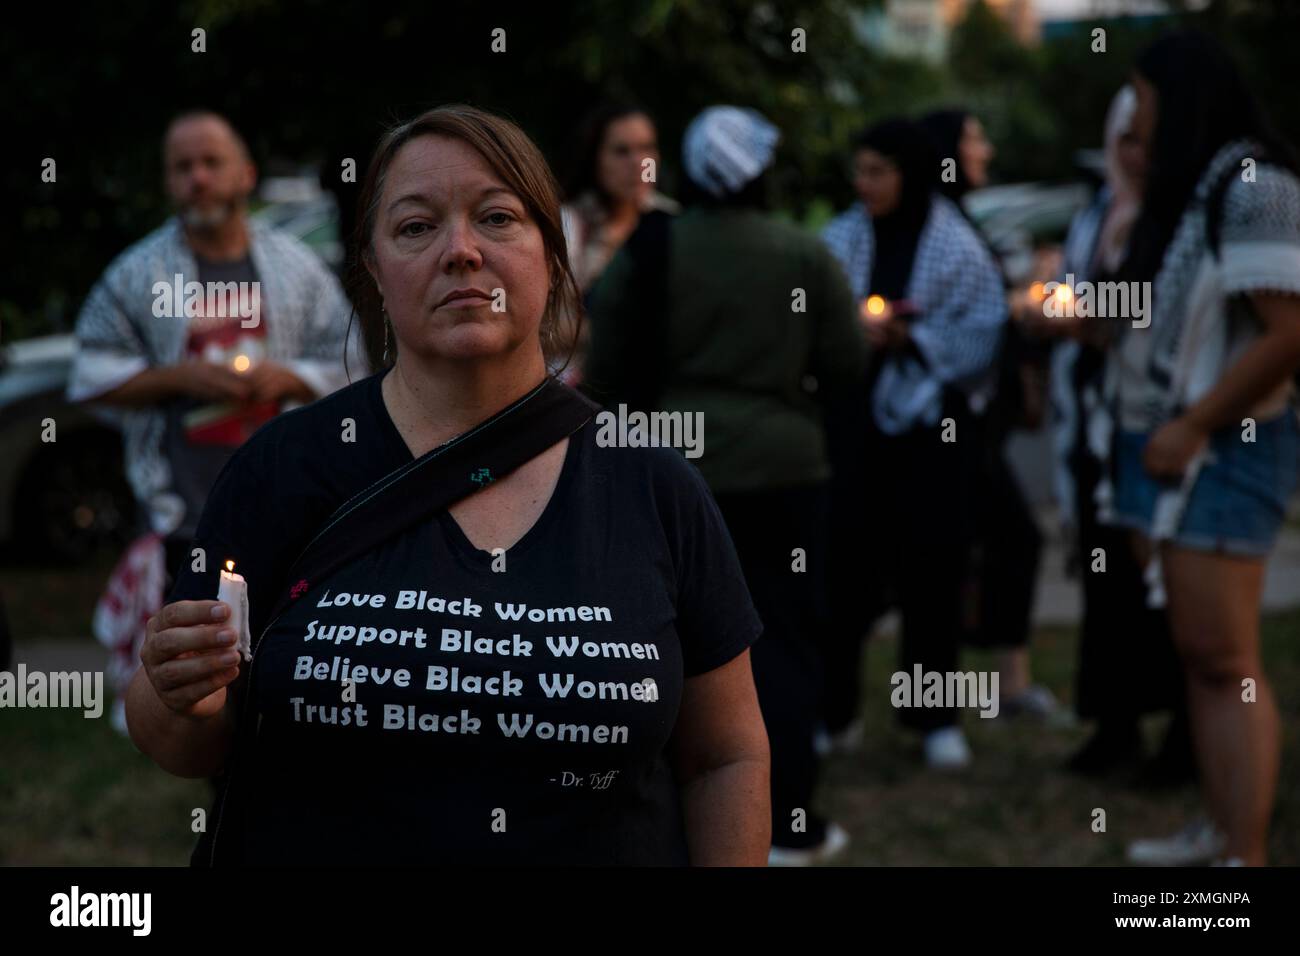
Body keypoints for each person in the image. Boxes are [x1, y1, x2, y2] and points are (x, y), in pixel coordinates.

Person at [128, 104, 770, 866]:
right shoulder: (282, 468)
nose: (460, 251)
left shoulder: (652, 482)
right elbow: (185, 738)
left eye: (497, 218)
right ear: (373, 271)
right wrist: (177, 694)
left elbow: (726, 757)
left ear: (552, 253)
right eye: (415, 227)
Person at [585, 105, 866, 865]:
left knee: (677, 642)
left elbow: (604, 365)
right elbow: (846, 364)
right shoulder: (804, 255)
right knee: (784, 640)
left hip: (679, 474)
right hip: (787, 475)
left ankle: (679, 802)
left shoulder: (654, 247)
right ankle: (790, 817)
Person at [67, 110, 361, 726]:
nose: (198, 178)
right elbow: (90, 373)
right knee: (196, 683)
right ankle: (209, 773)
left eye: (211, 163)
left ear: (246, 174)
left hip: (291, 510)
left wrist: (289, 378)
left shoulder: (296, 267)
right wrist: (180, 378)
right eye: (182, 167)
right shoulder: (137, 275)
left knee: (282, 666)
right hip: (186, 518)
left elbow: (349, 361)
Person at [1107, 31, 1300, 866]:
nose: (1135, 117)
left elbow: (1288, 332)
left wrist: (1193, 425)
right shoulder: (1210, 186)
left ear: (1180, 98)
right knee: (1201, 657)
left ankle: (1244, 855)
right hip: (1190, 452)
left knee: (1226, 661)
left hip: (1226, 450)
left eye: (1143, 98)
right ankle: (1223, 831)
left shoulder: (1256, 187)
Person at [821, 118, 1005, 770]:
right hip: (856, 433)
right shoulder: (840, 238)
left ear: (911, 174)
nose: (863, 183)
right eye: (860, 170)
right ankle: (833, 711)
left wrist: (913, 340)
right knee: (843, 574)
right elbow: (816, 316)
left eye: (878, 171)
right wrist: (854, 334)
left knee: (935, 572)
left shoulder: (956, 247)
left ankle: (935, 719)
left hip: (936, 439)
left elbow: (982, 333)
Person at [1046, 87, 1191, 782]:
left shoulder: (1174, 217)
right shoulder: (1100, 212)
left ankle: (1183, 734)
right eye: (1126, 139)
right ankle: (1116, 722)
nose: (1137, 154)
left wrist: (1079, 316)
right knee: (1106, 580)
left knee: (1164, 582)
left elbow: (1144, 312)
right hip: (1097, 423)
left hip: (1152, 424)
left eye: (1146, 139)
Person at [920, 107, 1057, 720]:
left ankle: (1003, 683)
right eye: (974, 138)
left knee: (1000, 542)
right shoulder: (936, 226)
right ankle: (993, 688)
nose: (986, 150)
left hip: (978, 421)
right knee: (998, 541)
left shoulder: (958, 221)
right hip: (951, 422)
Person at [558, 102, 679, 385]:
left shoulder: (673, 222)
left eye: (647, 148)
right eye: (622, 151)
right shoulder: (566, 225)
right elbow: (544, 327)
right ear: (595, 158)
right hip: (581, 389)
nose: (639, 162)